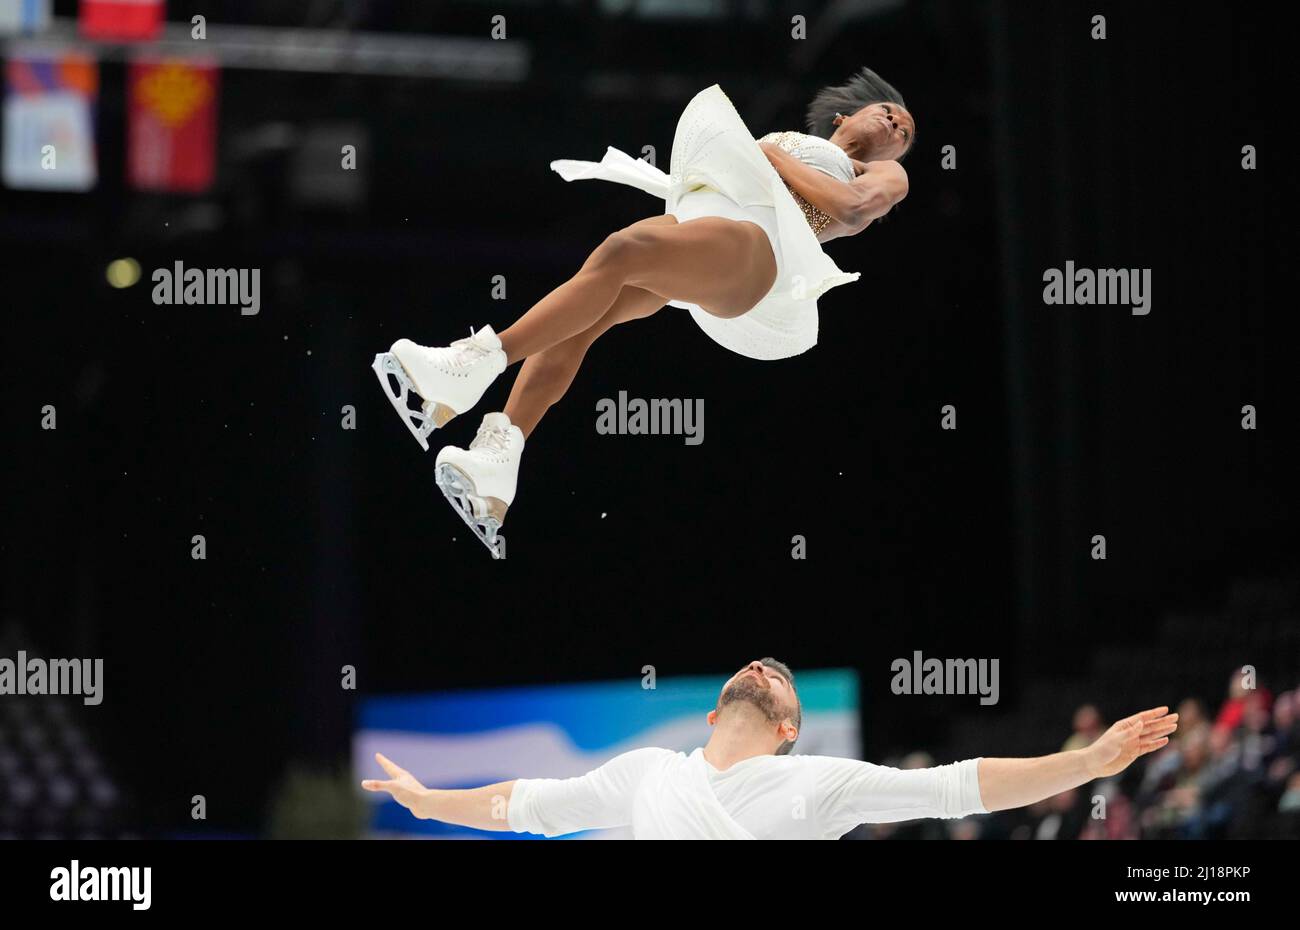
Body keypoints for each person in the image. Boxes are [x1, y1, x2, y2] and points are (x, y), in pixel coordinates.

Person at [372, 68, 914, 557]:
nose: (895, 122)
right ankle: (497, 460)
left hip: (755, 252)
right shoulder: (793, 141)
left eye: (905, 131)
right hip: (703, 224)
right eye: (887, 111)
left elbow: (852, 207)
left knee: (620, 251)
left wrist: (772, 158)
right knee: (588, 313)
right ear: (845, 115)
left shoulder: (879, 174)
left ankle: (471, 366)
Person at [361, 658, 1180, 840]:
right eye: (755, 667)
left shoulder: (823, 785)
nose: (765, 667)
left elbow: (957, 788)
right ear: (718, 712)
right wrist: (431, 801)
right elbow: (525, 805)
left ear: (788, 728)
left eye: (780, 678)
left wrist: (1082, 763)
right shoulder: (645, 774)